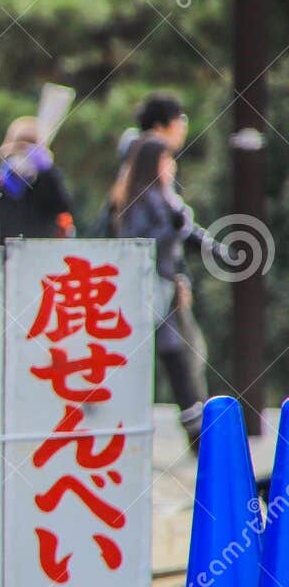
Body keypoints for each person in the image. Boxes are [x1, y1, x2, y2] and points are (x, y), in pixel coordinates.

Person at [111, 135, 207, 445]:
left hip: (165, 289)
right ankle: (190, 434)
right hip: (147, 292)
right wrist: (175, 228)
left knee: (177, 359)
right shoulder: (142, 198)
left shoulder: (163, 197)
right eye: (166, 160)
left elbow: (184, 241)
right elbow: (144, 243)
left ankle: (196, 432)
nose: (172, 166)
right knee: (164, 361)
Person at [0, 116, 76, 245]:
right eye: (20, 143)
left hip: (41, 248)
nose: (25, 149)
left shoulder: (47, 178)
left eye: (31, 144)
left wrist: (47, 171)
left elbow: (63, 206)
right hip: (8, 250)